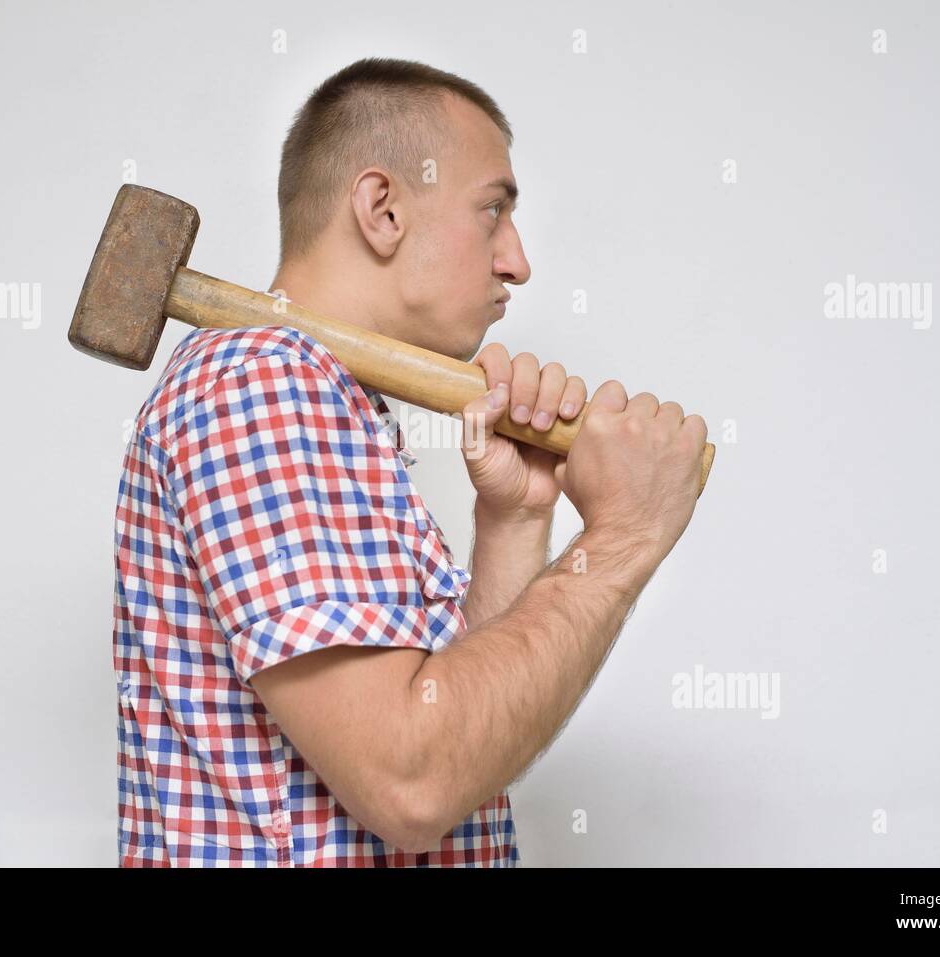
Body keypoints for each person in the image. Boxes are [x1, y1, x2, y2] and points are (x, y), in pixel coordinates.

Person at [113, 56, 708, 866]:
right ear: (383, 210)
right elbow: (412, 782)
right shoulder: (262, 387)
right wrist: (624, 538)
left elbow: (455, 735)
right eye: (492, 211)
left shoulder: (327, 403)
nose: (517, 262)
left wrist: (514, 519)